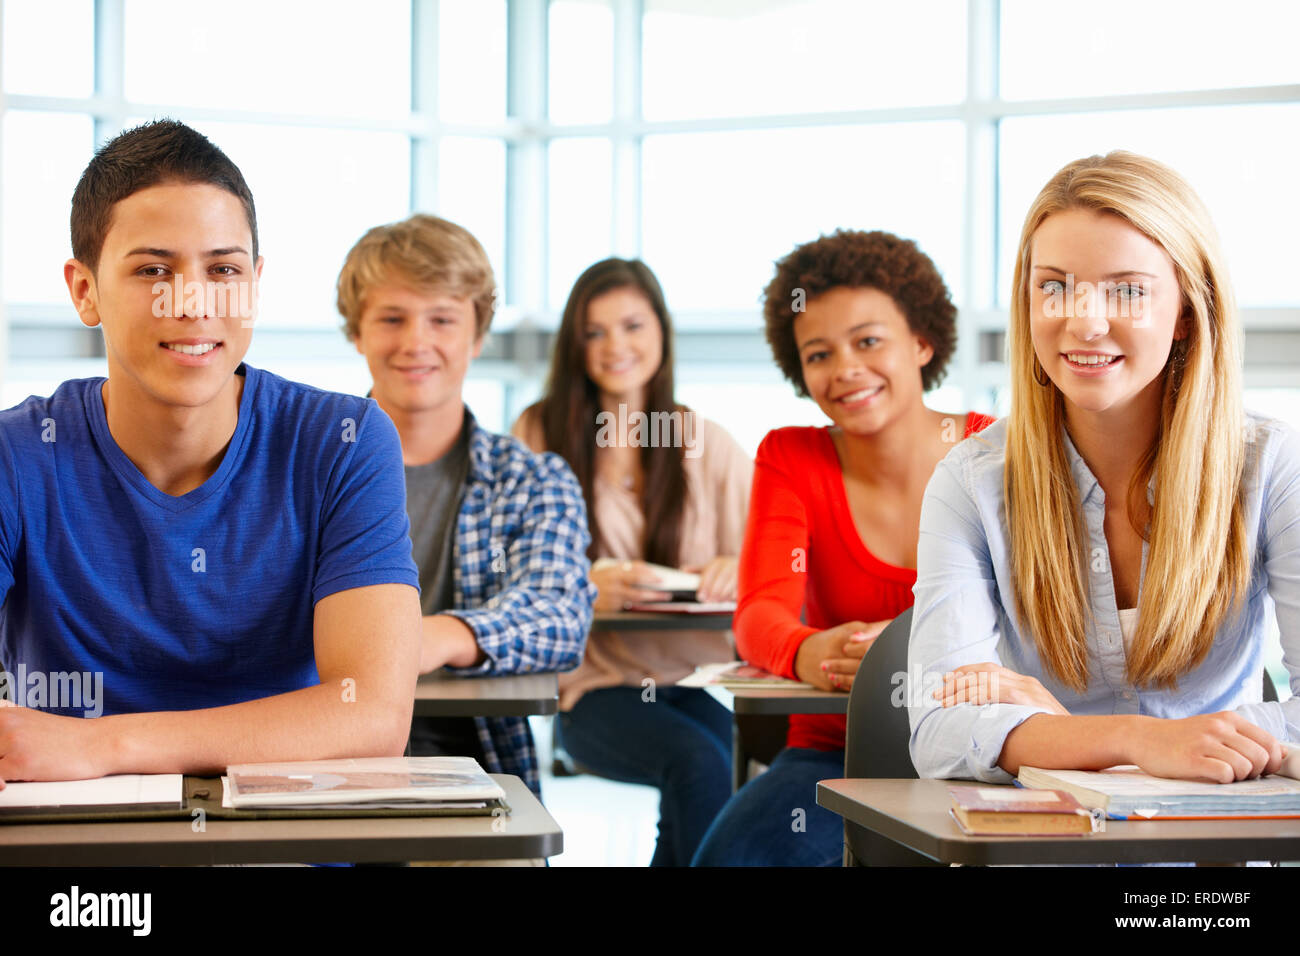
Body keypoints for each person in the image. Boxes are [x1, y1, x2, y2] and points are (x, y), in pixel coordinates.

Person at [0, 119, 421, 786]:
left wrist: (101, 745)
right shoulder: (17, 455)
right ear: (85, 291)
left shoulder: (344, 441)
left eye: (223, 270)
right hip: (73, 834)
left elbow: (372, 716)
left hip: (279, 833)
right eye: (153, 270)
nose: (194, 304)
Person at [908, 150, 1300, 785]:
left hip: (1215, 832)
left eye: (1127, 290)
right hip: (1048, 830)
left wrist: (1051, 732)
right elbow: (936, 729)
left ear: (1186, 312)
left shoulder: (1273, 466)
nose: (1085, 322)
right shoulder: (972, 481)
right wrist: (1134, 739)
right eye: (1054, 286)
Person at [692, 229, 993, 866]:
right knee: (729, 858)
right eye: (819, 353)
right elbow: (759, 614)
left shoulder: (997, 452)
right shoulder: (791, 456)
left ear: (922, 342)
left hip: (983, 751)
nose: (846, 369)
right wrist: (815, 653)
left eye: (868, 341)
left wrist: (906, 655)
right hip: (837, 754)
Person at [338, 213, 594, 796]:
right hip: (320, 767)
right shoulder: (301, 469)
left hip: (476, 773)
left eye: (442, 319)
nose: (416, 342)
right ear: (357, 332)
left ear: (477, 337)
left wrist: (436, 637)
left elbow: (560, 615)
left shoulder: (531, 480)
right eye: (392, 318)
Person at [512, 257, 752, 866]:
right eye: (594, 332)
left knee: (733, 771)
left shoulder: (704, 440)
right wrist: (585, 584)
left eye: (632, 326)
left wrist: (735, 564)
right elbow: (511, 570)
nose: (615, 346)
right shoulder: (540, 432)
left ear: (662, 332)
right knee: (698, 764)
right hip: (593, 687)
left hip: (690, 680)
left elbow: (771, 559)